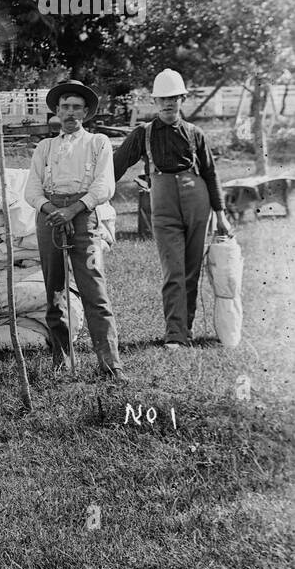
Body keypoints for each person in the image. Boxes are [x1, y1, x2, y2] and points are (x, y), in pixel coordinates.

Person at [112, 69, 231, 349]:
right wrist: (95, 196)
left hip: (197, 202)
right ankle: (174, 333)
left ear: (182, 99)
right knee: (172, 269)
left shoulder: (195, 133)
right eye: (163, 99)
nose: (168, 104)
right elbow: (115, 166)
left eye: (174, 98)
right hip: (163, 204)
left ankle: (186, 329)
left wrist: (221, 214)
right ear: (154, 101)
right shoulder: (143, 133)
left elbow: (211, 174)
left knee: (192, 269)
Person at [24, 79, 126, 381]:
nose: (70, 113)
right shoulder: (45, 147)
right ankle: (62, 361)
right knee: (54, 291)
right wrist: (53, 211)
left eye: (77, 108)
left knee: (95, 291)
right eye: (65, 107)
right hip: (50, 218)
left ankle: (110, 364)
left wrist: (73, 209)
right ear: (56, 111)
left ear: (86, 112)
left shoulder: (98, 143)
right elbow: (31, 189)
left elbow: (104, 185)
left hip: (84, 218)